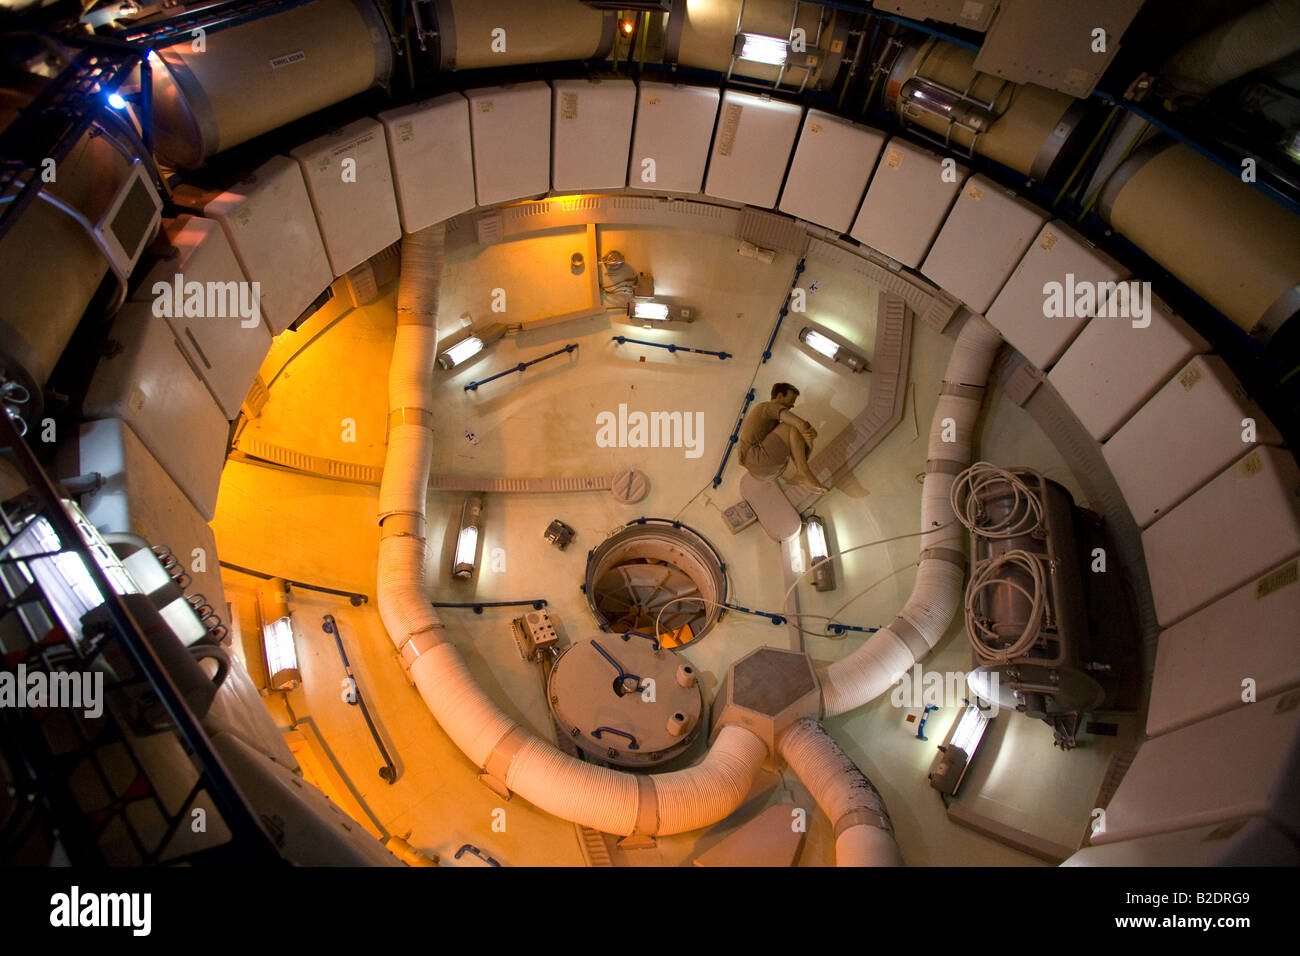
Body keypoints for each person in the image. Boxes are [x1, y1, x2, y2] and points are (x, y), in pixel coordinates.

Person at [737, 383, 829, 493]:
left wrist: (809, 440)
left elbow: (803, 457)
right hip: (756, 459)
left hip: (766, 473)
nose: (792, 405)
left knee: (795, 440)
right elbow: (801, 424)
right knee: (791, 425)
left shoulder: (777, 433)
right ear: (780, 396)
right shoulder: (766, 407)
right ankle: (804, 473)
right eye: (791, 400)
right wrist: (807, 430)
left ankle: (803, 474)